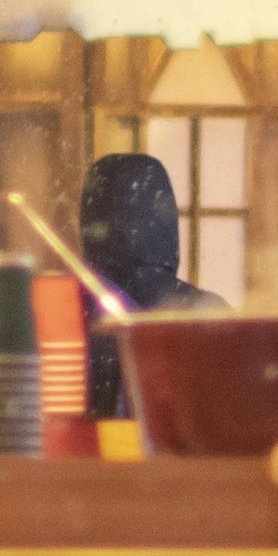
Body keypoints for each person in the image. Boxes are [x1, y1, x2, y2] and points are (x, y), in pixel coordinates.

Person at [76, 149, 223, 423]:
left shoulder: (63, 309)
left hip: (78, 459)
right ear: (167, 220)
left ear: (89, 217)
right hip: (185, 460)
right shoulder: (208, 310)